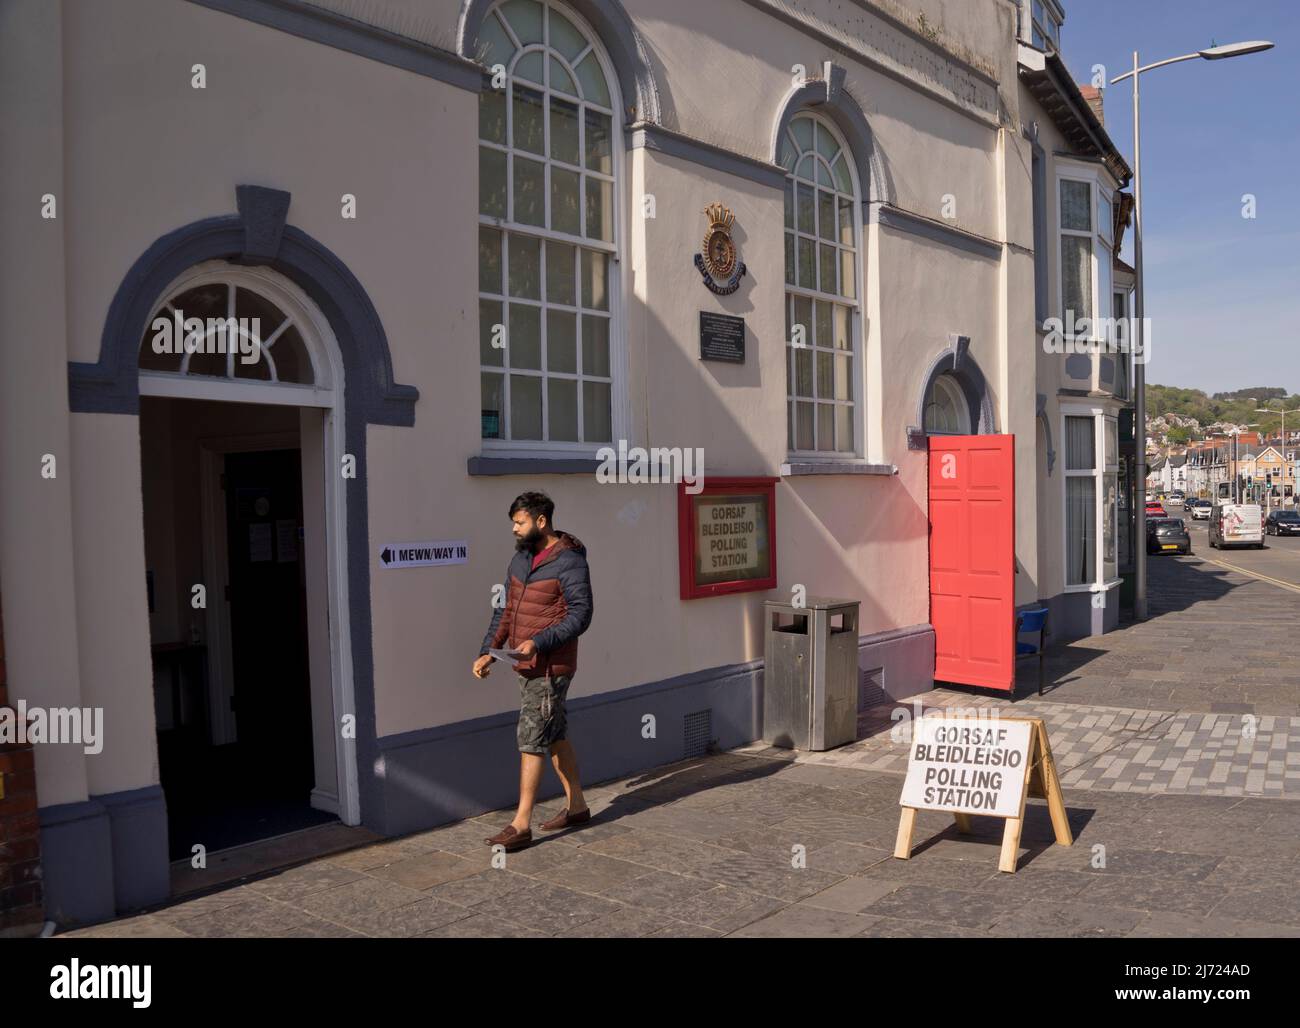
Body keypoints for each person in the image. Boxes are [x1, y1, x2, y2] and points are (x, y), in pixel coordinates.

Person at [473, 492, 594, 851]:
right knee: (553, 734)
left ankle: (521, 823)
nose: (514, 528)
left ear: (541, 522)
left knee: (531, 738)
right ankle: (578, 807)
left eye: (520, 522)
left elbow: (580, 615)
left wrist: (538, 642)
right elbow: (506, 611)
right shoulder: (520, 559)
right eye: (513, 522)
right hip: (525, 664)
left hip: (549, 668)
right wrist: (488, 653)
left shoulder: (569, 562)